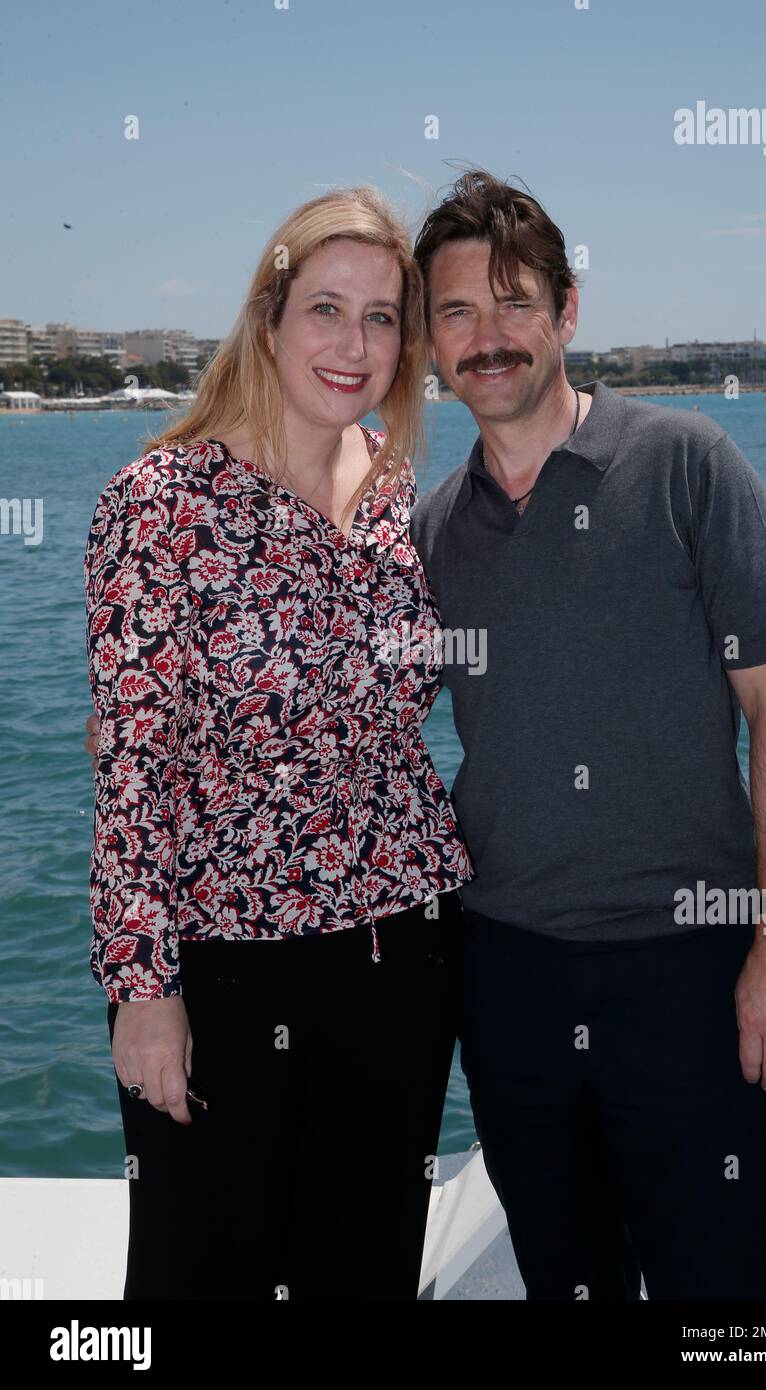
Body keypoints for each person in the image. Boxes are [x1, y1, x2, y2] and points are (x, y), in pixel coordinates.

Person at [407, 169, 766, 1300]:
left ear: (565, 312)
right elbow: (356, 728)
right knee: (566, 1282)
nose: (486, 337)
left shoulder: (688, 467)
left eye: (512, 303)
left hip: (691, 967)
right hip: (506, 976)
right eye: (455, 312)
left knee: (725, 1296)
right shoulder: (430, 532)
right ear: (431, 344)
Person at [83, 185, 473, 1301]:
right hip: (222, 969)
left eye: (383, 316)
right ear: (268, 318)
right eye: (325, 308)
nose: (353, 344)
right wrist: (143, 989)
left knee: (363, 1269)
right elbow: (131, 768)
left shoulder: (401, 498)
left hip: (401, 951)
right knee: (195, 1270)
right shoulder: (161, 502)